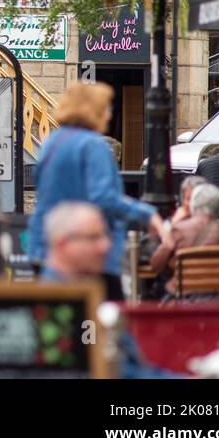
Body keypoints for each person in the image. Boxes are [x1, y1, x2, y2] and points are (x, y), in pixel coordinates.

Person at [28, 82, 168, 301]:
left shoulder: (52, 142)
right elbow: (103, 198)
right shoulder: (93, 146)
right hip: (88, 255)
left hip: (47, 249)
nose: (110, 115)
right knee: (106, 323)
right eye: (106, 108)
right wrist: (147, 213)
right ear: (92, 111)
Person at [40, 202, 179, 378]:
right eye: (93, 238)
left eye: (104, 236)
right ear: (62, 244)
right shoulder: (60, 305)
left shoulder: (90, 291)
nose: (105, 246)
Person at [148, 183, 219, 296]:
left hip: (185, 300)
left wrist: (171, 227)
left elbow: (156, 265)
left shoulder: (179, 229)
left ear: (193, 204)